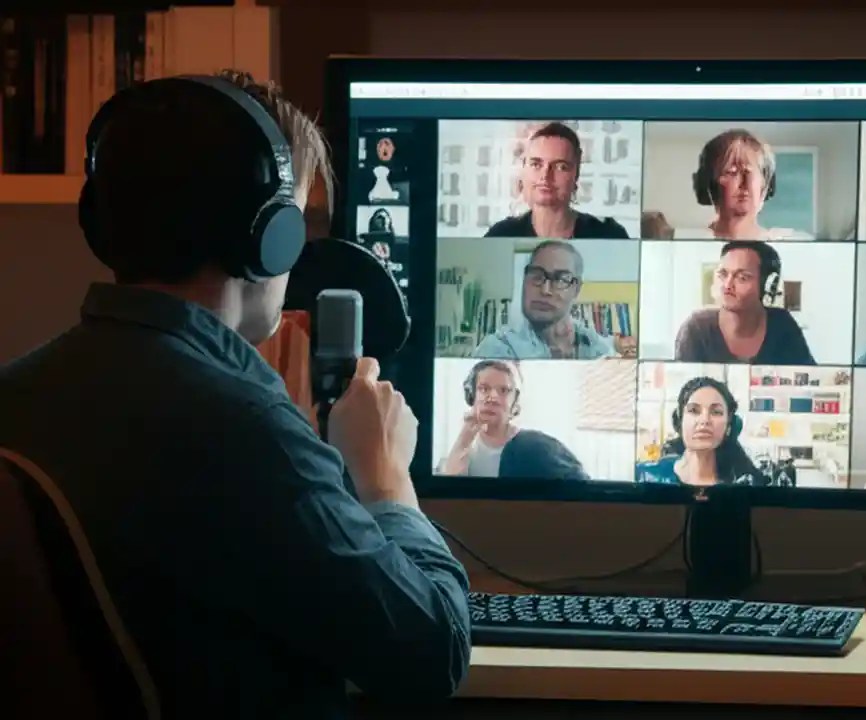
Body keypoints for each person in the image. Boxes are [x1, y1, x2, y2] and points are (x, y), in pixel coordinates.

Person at [0, 71, 470, 716]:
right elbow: (430, 654)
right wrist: (384, 477)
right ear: (268, 235)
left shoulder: (18, 391)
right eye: (297, 219)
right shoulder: (237, 428)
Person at [673, 241, 815, 365]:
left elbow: (809, 379)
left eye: (742, 277)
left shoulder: (782, 324)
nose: (727, 284)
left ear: (767, 285)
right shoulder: (697, 328)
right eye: (723, 274)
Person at [473, 239, 619, 359]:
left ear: (576, 289)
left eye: (561, 280)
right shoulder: (496, 349)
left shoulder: (599, 351)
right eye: (537, 276)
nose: (545, 290)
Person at [484, 121, 630, 239]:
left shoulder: (608, 236)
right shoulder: (501, 236)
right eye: (536, 164)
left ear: (576, 174)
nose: (545, 175)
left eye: (560, 166)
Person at [676, 128, 812, 241]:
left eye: (750, 172)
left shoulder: (794, 244)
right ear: (709, 184)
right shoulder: (687, 243)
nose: (745, 182)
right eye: (732, 172)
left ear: (767, 185)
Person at [636, 376, 766, 485]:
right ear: (679, 420)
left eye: (716, 412)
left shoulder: (744, 484)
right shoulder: (645, 475)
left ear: (729, 425)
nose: (705, 420)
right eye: (693, 410)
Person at [439, 360, 524, 476]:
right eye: (484, 389)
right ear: (471, 396)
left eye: (503, 390)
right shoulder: (460, 447)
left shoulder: (528, 447)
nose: (492, 398)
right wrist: (462, 443)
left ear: (514, 401)